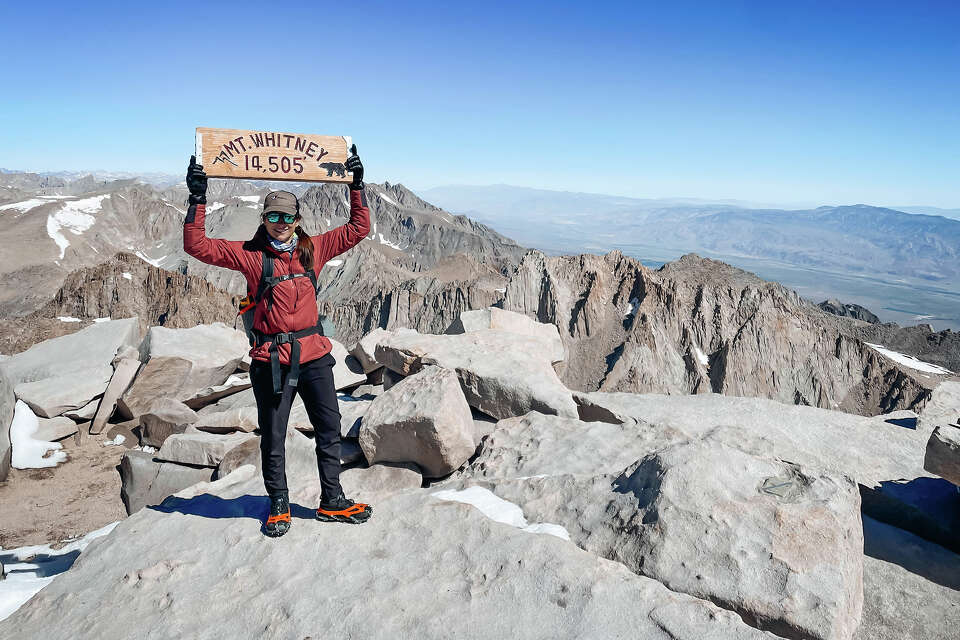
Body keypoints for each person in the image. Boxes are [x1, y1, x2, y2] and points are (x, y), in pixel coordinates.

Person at [183, 147, 372, 537]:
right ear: (264, 218)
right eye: (272, 216)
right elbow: (197, 246)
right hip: (271, 359)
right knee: (273, 434)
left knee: (328, 428)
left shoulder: (313, 249)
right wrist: (197, 199)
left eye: (287, 216)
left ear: (298, 220)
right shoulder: (251, 256)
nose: (280, 223)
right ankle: (279, 504)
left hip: (314, 355)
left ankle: (332, 500)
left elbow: (358, 228)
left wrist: (357, 186)